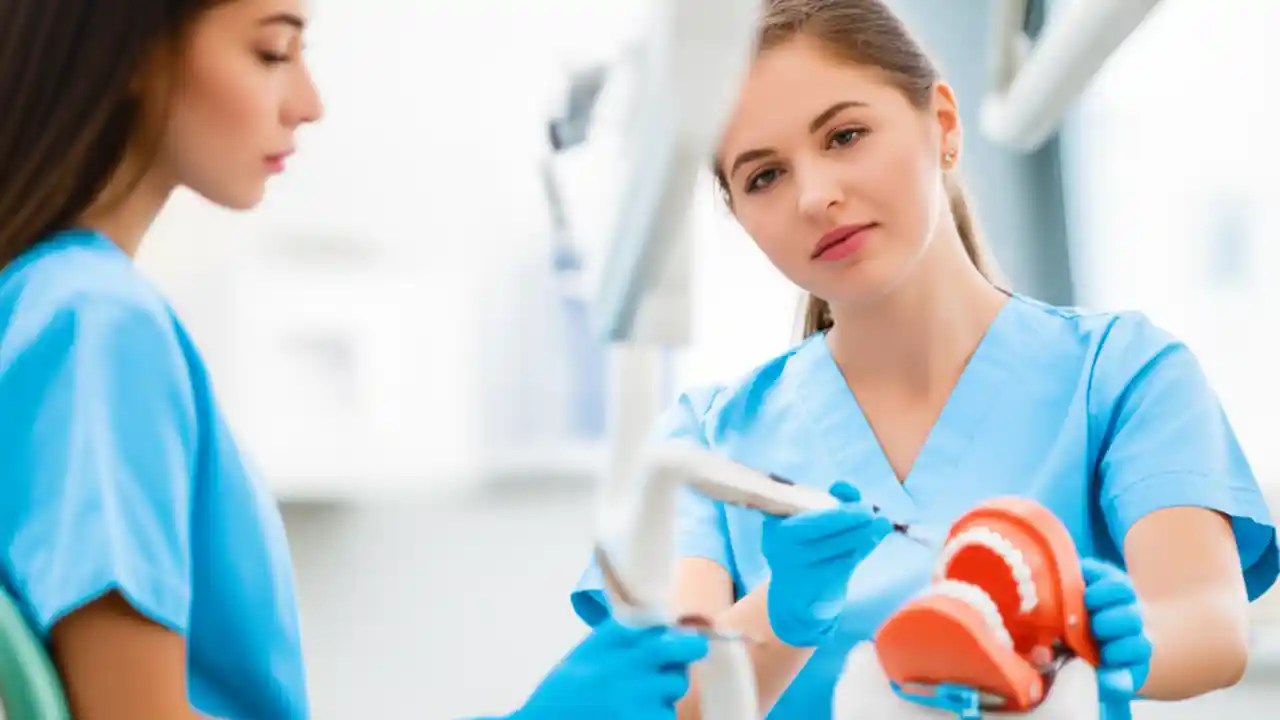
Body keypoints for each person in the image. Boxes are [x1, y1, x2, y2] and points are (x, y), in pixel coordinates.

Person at [569, 0, 1279, 718]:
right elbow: (675, 700)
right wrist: (783, 612)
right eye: (763, 177)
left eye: (845, 135)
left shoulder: (1122, 373)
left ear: (941, 123)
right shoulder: (704, 444)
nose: (816, 196)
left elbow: (1211, 624)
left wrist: (1114, 635)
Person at [0, 1, 704, 718]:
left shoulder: (42, 302)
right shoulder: (98, 323)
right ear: (131, 52)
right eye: (273, 53)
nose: (310, 104)